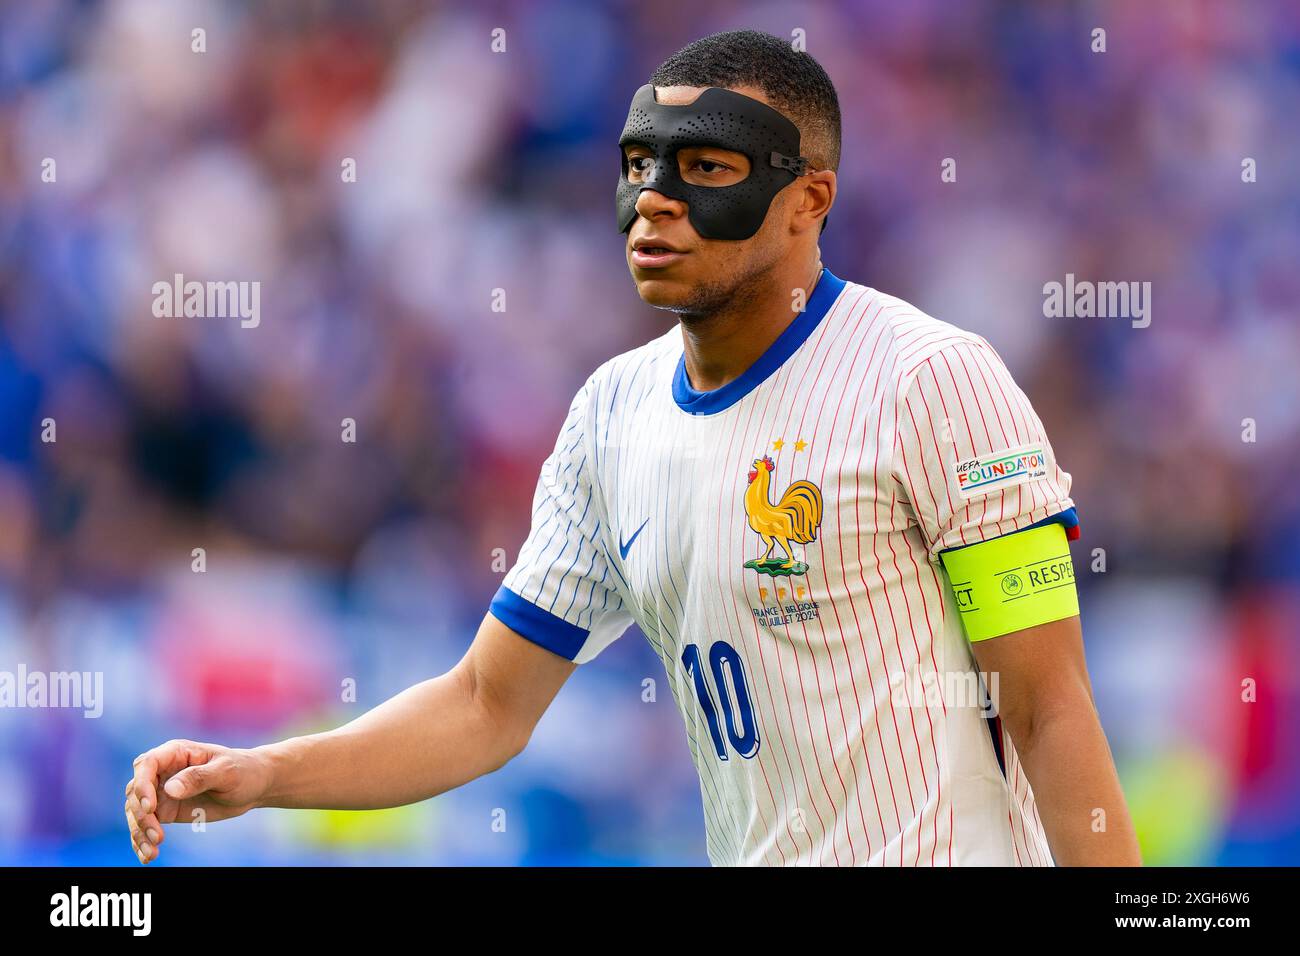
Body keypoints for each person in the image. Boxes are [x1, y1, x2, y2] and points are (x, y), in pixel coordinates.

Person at [125, 29, 1140, 866]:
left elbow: (1048, 706)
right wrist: (268, 772)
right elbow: (485, 703)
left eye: (704, 168)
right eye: (639, 165)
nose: (655, 198)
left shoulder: (931, 382)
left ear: (808, 201)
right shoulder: (611, 417)